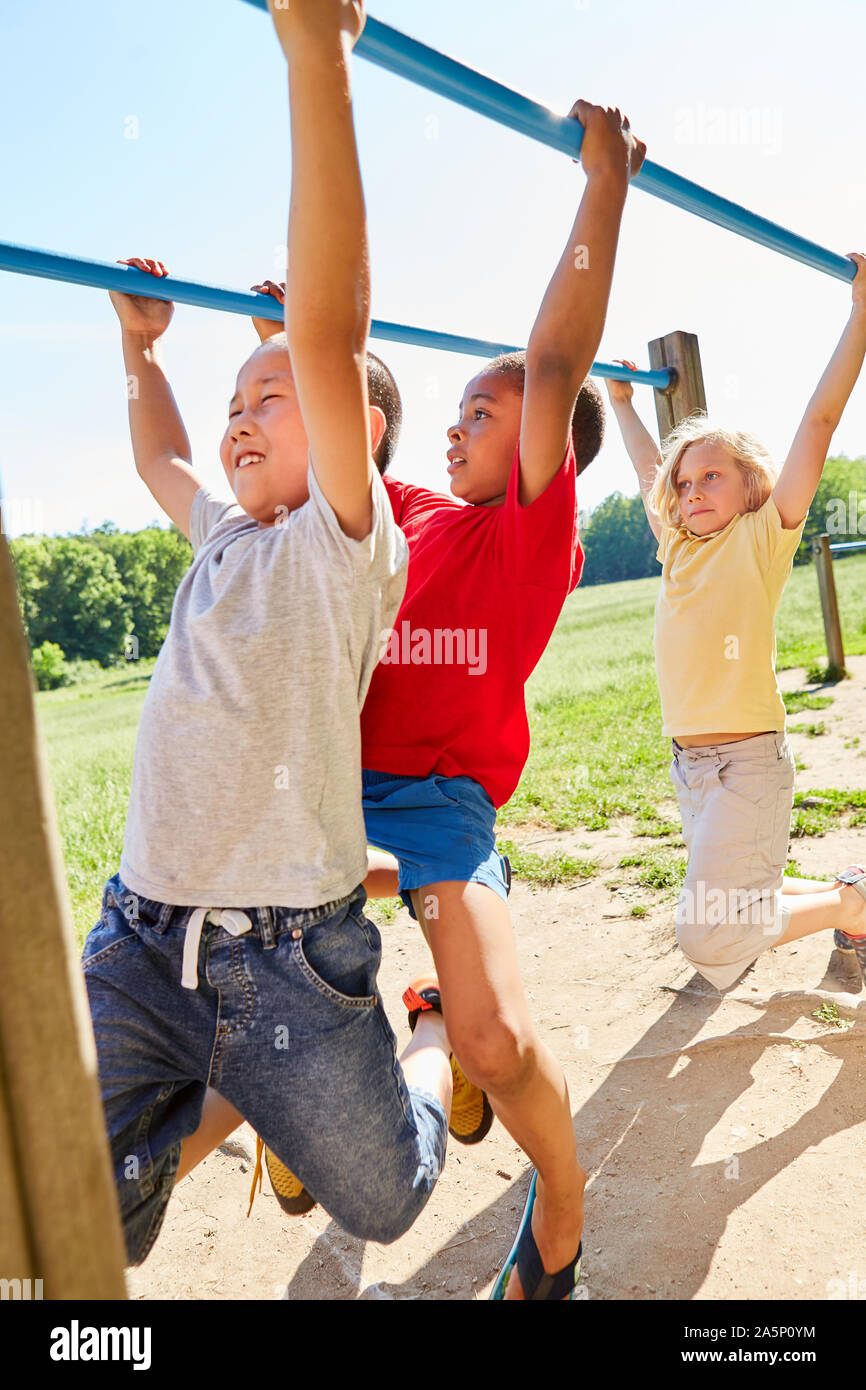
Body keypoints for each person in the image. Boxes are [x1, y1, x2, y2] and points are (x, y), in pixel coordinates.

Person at [249, 99, 645, 1300]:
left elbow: (557, 358)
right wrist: (278, 323)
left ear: (544, 448)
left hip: (439, 806)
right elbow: (327, 381)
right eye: (460, 411)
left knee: (494, 1037)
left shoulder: (527, 534)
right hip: (329, 790)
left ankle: (561, 1212)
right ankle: (334, 1077)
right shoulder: (404, 513)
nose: (464, 423)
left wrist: (602, 189)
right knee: (264, 956)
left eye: (489, 411)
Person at [82, 0, 457, 1266]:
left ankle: (427, 1027)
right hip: (141, 933)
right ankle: (225, 1100)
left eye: (272, 395)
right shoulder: (225, 535)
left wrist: (314, 58)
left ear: (355, 429)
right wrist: (142, 351)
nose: (241, 417)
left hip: (291, 961)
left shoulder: (339, 548)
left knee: (390, 1198)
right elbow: (161, 453)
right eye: (237, 401)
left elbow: (333, 332)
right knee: (80, 1209)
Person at [603, 253, 866, 994]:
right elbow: (650, 472)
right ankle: (850, 893)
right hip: (692, 769)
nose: (689, 492)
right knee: (733, 905)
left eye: (710, 475)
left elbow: (819, 420)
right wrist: (623, 404)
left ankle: (855, 902)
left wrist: (860, 319)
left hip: (748, 764)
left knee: (710, 938)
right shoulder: (677, 548)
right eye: (683, 485)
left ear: (753, 485)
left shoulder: (762, 537)